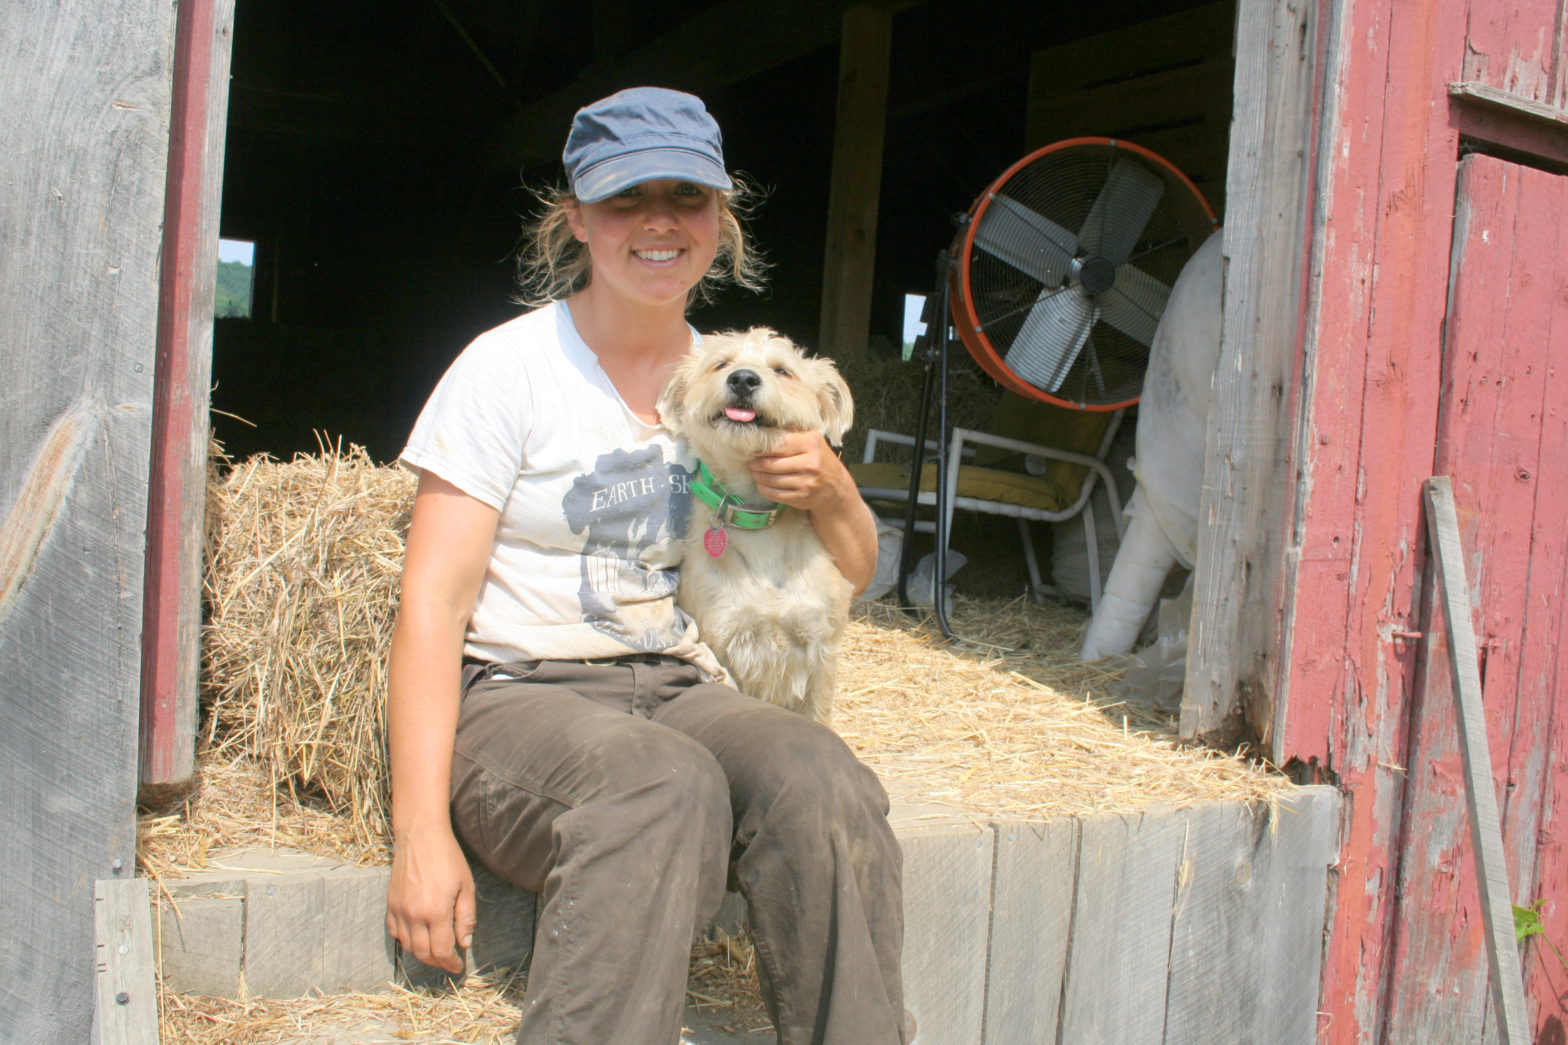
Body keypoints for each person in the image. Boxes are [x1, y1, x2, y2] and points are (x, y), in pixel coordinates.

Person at [383, 86, 908, 1045]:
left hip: (671, 682)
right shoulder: (507, 370)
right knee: (664, 783)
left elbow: (848, 569)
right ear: (577, 217)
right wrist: (418, 834)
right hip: (517, 697)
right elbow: (431, 605)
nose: (661, 221)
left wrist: (832, 487)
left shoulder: (732, 382)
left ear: (721, 222)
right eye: (628, 198)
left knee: (817, 770)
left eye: (688, 196)